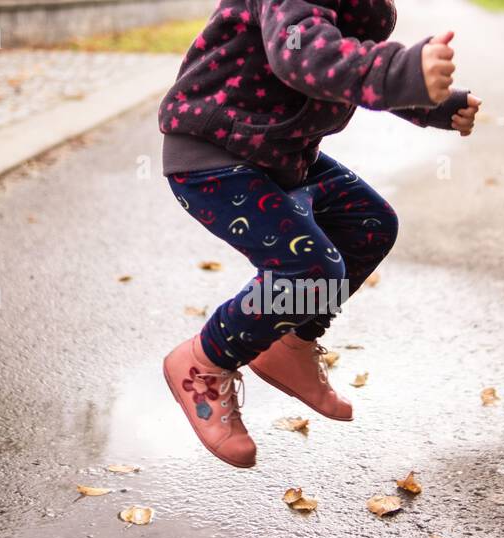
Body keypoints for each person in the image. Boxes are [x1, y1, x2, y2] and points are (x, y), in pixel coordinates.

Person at [160, 0, 480, 467]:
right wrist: (402, 70)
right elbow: (304, 53)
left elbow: (350, 60)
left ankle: (290, 344)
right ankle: (204, 361)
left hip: (280, 153)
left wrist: (431, 103)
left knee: (368, 224)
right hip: (214, 153)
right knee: (310, 270)